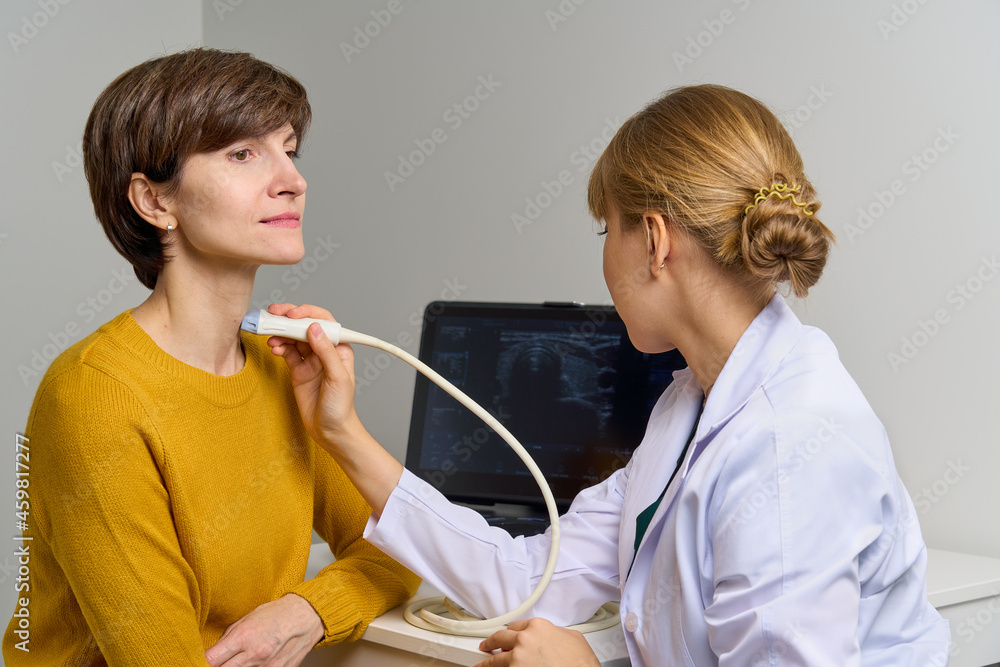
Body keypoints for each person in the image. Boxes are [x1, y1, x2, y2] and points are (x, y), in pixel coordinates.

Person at [266, 84, 952, 665]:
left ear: (653, 241)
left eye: (608, 231)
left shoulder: (789, 443)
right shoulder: (688, 406)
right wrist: (341, 429)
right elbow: (526, 576)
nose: (604, 258)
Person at [2, 48, 419, 666]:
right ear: (154, 202)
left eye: (289, 148)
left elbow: (405, 551)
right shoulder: (93, 396)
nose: (292, 179)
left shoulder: (282, 368)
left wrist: (306, 611)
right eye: (243, 153)